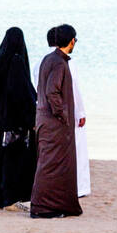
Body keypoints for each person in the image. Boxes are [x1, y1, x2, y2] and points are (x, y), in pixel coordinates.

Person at [28, 25, 83, 218]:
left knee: (53, 164)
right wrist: (63, 114)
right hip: (54, 123)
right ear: (71, 41)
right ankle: (42, 208)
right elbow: (52, 91)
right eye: (75, 39)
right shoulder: (59, 63)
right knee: (51, 165)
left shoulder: (48, 59)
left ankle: (58, 206)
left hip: (44, 119)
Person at [0, 27, 37, 208]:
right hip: (13, 121)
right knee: (13, 160)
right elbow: (21, 93)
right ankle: (9, 199)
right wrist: (32, 117)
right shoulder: (16, 62)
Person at [73, 59, 90, 197]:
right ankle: (79, 188)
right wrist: (80, 112)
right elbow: (74, 89)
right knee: (78, 150)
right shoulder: (68, 63)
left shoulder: (41, 62)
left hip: (47, 112)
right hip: (68, 112)